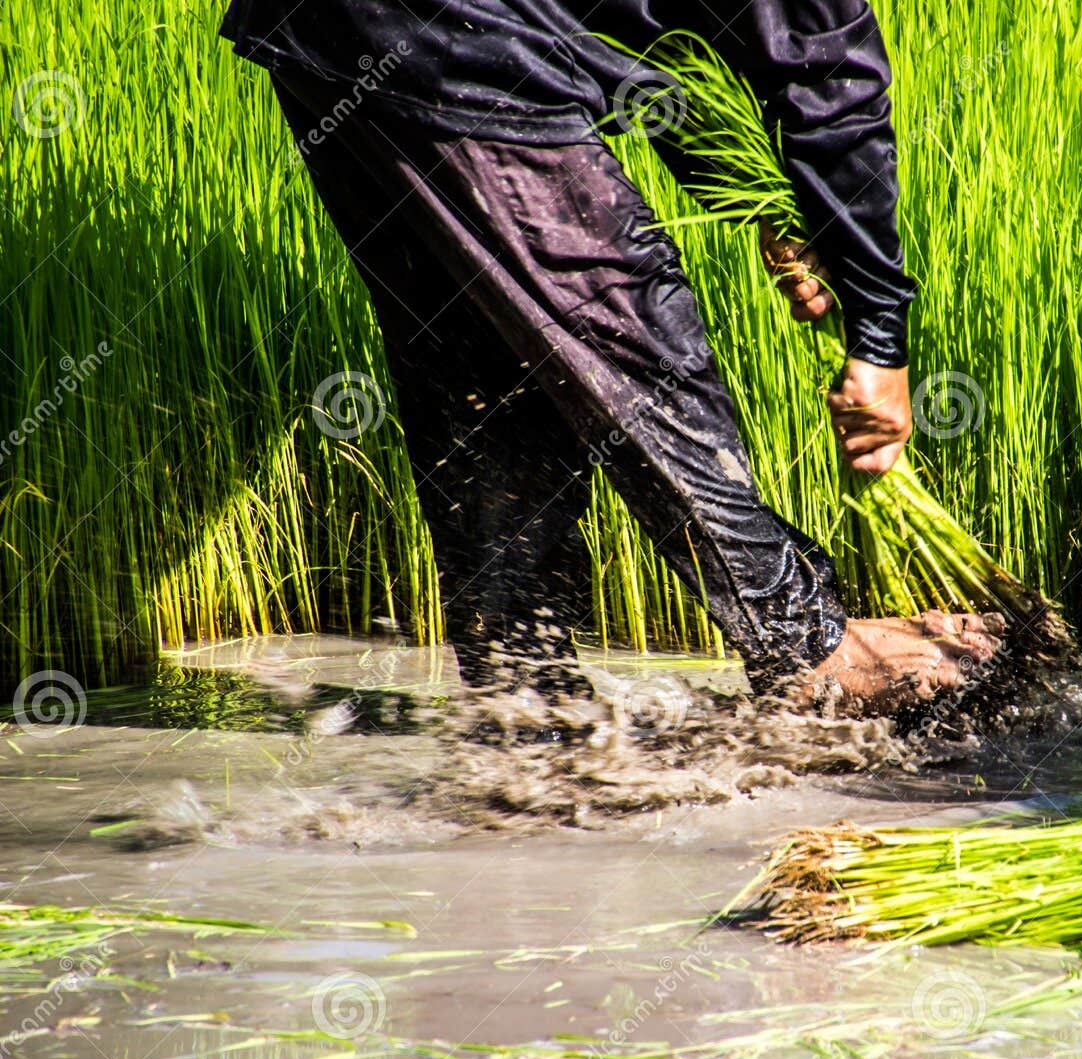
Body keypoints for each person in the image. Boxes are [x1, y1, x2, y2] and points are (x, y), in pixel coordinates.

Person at [218, 0, 1001, 712]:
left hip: (332, 28)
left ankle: (526, 714)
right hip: (460, 35)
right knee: (638, 340)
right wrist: (877, 337)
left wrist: (757, 193)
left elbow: (666, 37)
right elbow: (830, 79)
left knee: (486, 377)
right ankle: (813, 651)